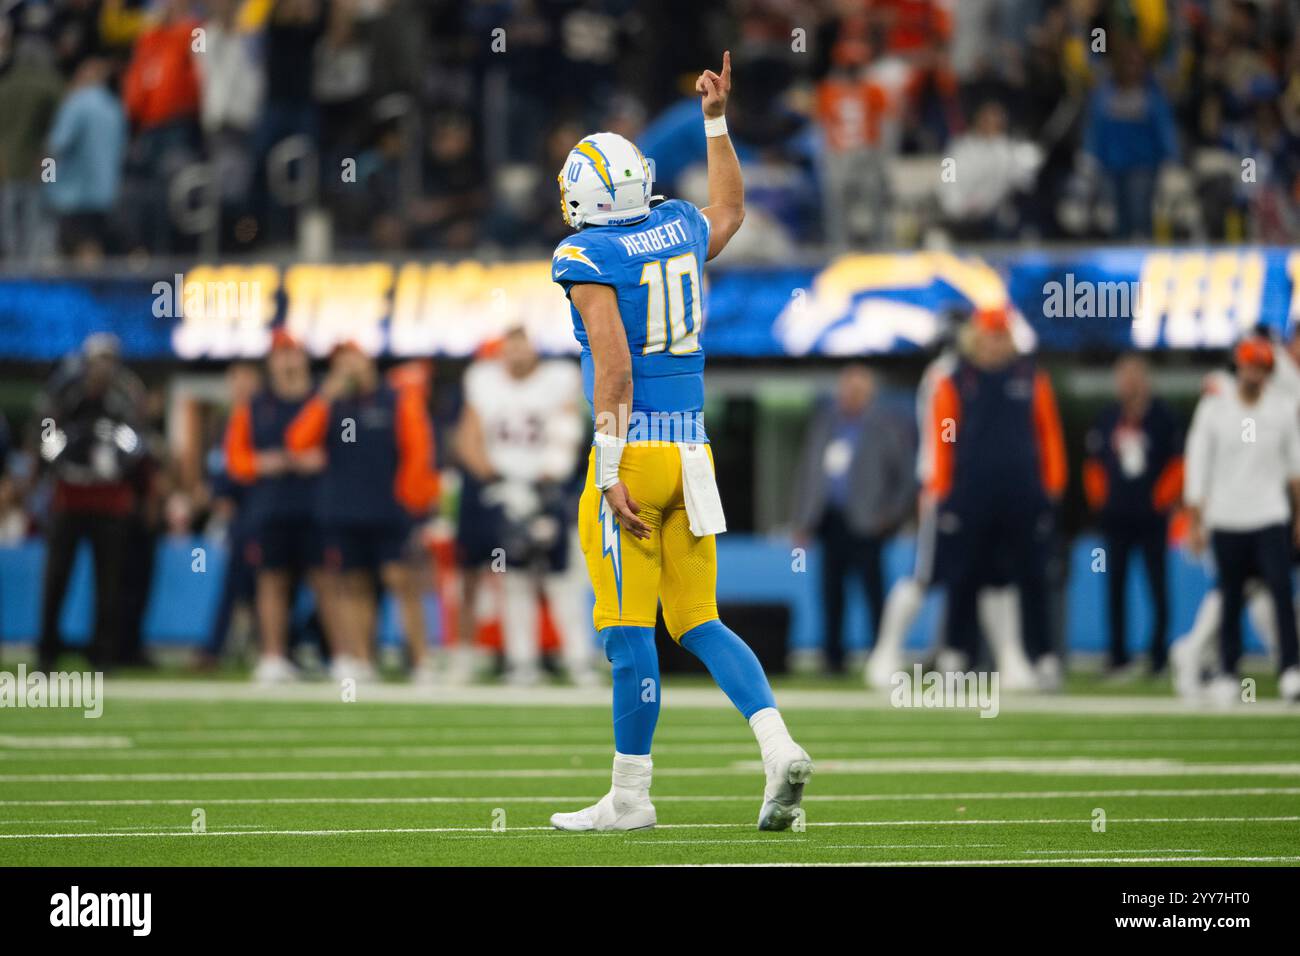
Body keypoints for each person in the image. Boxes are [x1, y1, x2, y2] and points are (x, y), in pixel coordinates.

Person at [547, 52, 813, 833]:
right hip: (693, 454)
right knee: (699, 620)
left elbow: (615, 369)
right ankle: (777, 747)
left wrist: (606, 470)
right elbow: (730, 211)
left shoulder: (586, 253)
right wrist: (716, 121)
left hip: (634, 450)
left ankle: (630, 798)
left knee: (630, 635)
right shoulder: (678, 226)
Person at [928, 306, 1067, 689]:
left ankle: (1042, 658)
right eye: (990, 334)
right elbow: (945, 437)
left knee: (1033, 578)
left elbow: (1048, 435)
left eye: (1001, 334)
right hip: (970, 495)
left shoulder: (1031, 378)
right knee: (963, 578)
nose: (995, 342)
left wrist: (1052, 485)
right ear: (975, 337)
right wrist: (945, 489)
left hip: (1023, 495)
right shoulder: (956, 380)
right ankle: (956, 656)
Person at [286, 342, 439, 683]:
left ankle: (421, 661)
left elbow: (418, 451)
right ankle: (361, 660)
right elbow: (297, 442)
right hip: (342, 509)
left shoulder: (396, 398)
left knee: (401, 582)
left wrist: (415, 505)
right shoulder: (330, 403)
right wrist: (325, 397)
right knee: (353, 585)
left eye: (352, 359)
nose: (348, 367)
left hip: (389, 509)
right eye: (340, 362)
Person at [455, 327, 596, 687]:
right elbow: (469, 437)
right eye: (510, 349)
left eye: (522, 347)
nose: (516, 355)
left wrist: (551, 477)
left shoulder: (558, 378)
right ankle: (522, 661)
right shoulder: (482, 380)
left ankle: (578, 660)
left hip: (548, 491)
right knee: (514, 578)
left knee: (561, 578)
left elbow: (567, 428)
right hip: (504, 491)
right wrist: (495, 479)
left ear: (534, 351)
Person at [1183, 337, 1300, 704]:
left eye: (1259, 366)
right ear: (1239, 366)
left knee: (1281, 593)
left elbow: (1295, 468)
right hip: (1227, 515)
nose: (1252, 372)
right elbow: (1198, 463)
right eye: (1248, 364)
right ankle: (1227, 673)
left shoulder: (1281, 408)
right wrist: (1196, 519)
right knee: (1230, 597)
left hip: (1269, 515)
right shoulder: (1216, 406)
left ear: (1267, 371)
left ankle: (1290, 670)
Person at [790, 364, 914, 673]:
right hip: (830, 520)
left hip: (870, 523)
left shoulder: (887, 425)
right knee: (831, 591)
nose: (850, 396)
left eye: (857, 390)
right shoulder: (826, 421)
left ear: (870, 393)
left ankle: (881, 655)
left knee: (873, 591)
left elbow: (906, 477)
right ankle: (833, 659)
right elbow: (808, 472)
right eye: (846, 389)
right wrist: (802, 520)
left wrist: (892, 516)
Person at [224, 331, 332, 684]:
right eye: (280, 353)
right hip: (270, 506)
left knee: (329, 581)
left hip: (319, 505)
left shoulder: (324, 399)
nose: (287, 360)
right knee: (271, 581)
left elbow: (347, 450)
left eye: (293, 353)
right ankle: (273, 656)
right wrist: (263, 463)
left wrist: (322, 459)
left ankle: (345, 657)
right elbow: (235, 460)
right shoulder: (255, 405)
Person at [35, 334, 146, 672]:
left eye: (108, 360)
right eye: (98, 359)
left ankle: (103, 653)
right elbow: (45, 431)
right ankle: (48, 649)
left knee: (108, 580)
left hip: (109, 499)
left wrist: (117, 463)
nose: (102, 367)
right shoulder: (67, 391)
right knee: (57, 577)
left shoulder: (125, 393)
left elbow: (137, 440)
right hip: (70, 494)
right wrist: (65, 461)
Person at [1083, 353, 1182, 676]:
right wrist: (1103, 501)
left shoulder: (1164, 417)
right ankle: (1117, 655)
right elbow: (1093, 464)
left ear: (1146, 379)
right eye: (1123, 377)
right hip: (1117, 518)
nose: (1128, 384)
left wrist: (1161, 499)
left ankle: (1158, 655)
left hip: (1152, 518)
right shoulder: (1108, 417)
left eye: (1134, 376)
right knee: (1114, 587)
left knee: (1157, 585)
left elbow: (1179, 463)